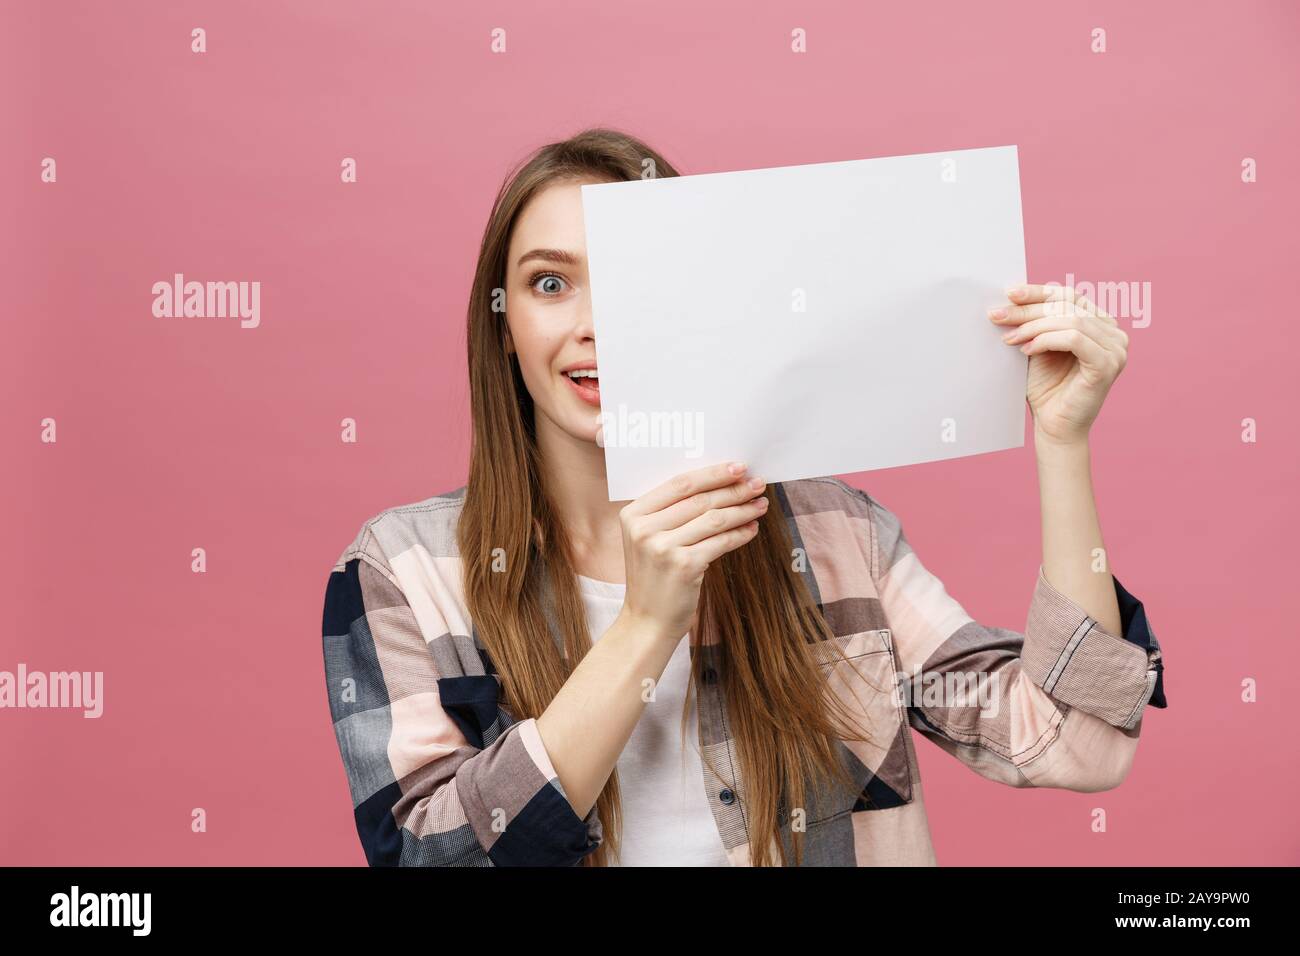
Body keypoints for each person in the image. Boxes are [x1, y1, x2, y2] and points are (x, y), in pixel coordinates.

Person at [321, 128, 1167, 867]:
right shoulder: (403, 571)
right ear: (503, 325)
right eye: (550, 284)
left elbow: (1078, 745)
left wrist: (1061, 443)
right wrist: (646, 628)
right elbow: (435, 859)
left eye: (637, 280)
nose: (596, 325)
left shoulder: (837, 536)